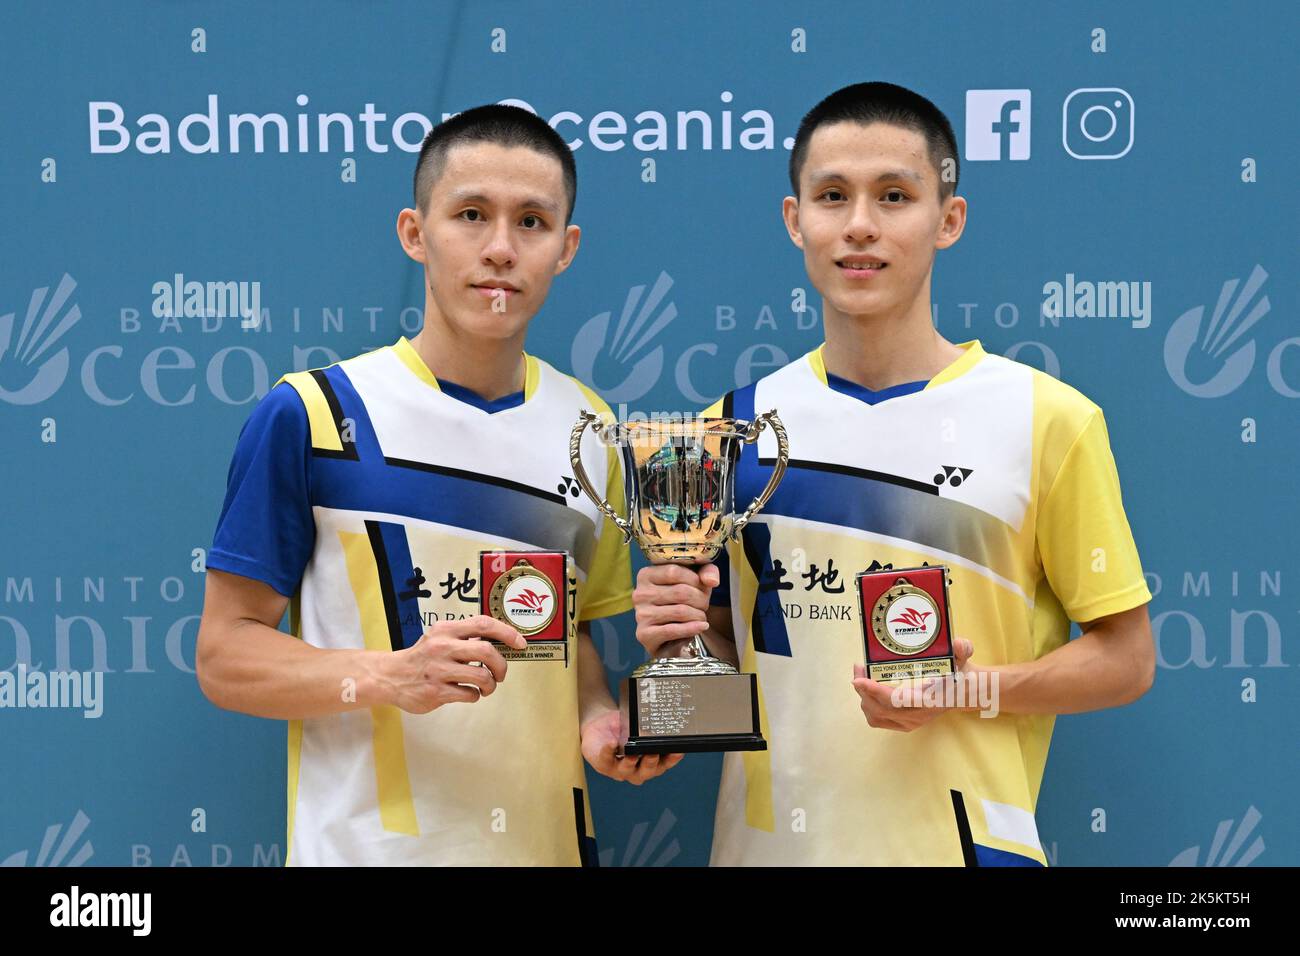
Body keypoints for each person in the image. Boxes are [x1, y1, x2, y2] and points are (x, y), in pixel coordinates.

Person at [632, 82, 1155, 866]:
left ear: (949, 218)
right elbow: (725, 673)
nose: (861, 227)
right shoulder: (722, 431)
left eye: (895, 195)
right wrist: (676, 636)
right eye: (832, 196)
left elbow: (1126, 658)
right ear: (794, 219)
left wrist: (970, 692)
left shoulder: (1047, 417)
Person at [196, 103, 680, 866]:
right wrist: (389, 675)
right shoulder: (313, 413)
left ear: (565, 248)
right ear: (415, 233)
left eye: (531, 222)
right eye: (470, 215)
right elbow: (225, 658)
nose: (499, 248)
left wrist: (595, 717)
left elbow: (571, 634)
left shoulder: (590, 425)